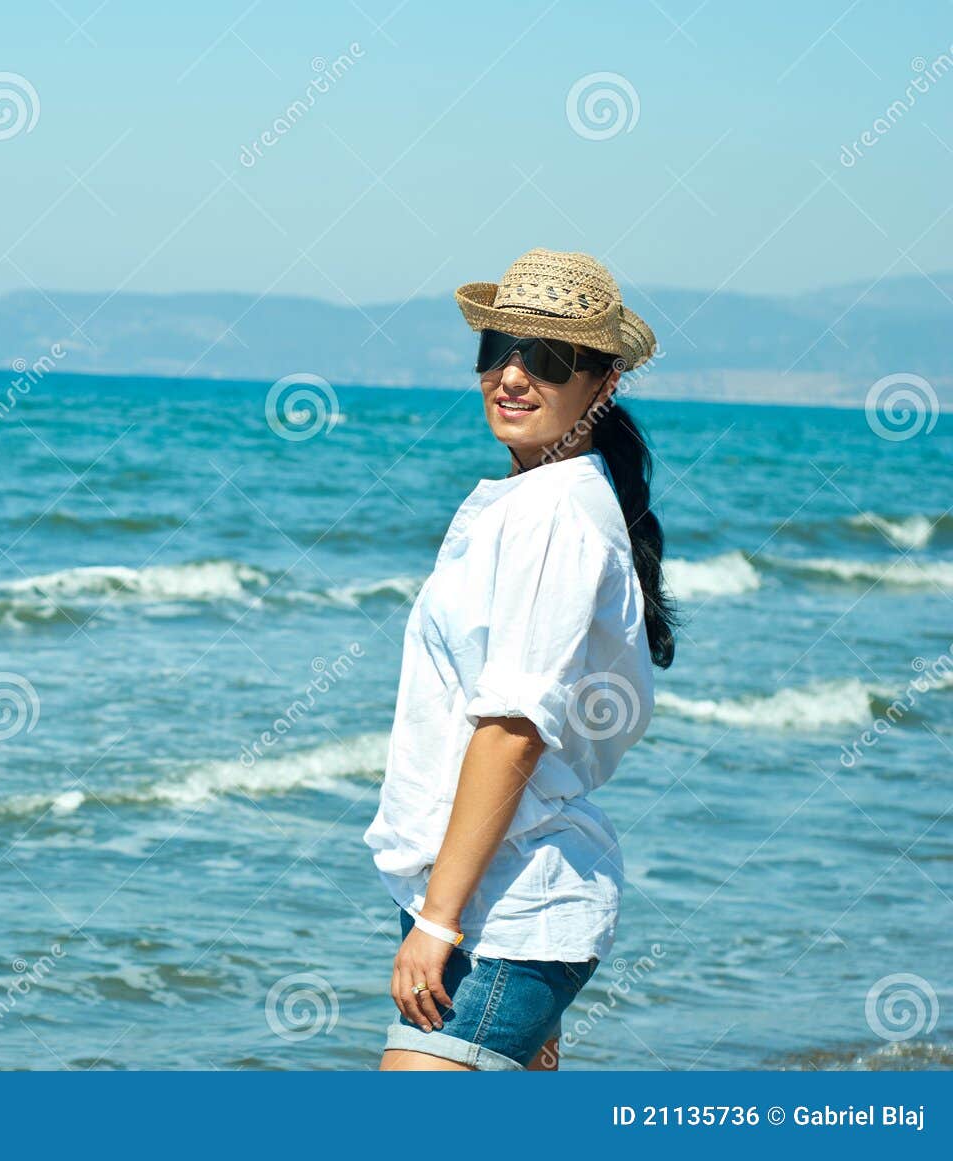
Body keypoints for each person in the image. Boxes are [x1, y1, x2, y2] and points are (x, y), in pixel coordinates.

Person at [363, 248, 679, 1071]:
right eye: (497, 349)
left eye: (545, 358)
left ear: (602, 382)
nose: (511, 375)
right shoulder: (537, 497)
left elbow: (513, 728)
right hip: (486, 888)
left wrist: (438, 921)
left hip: (511, 905)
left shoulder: (555, 515)